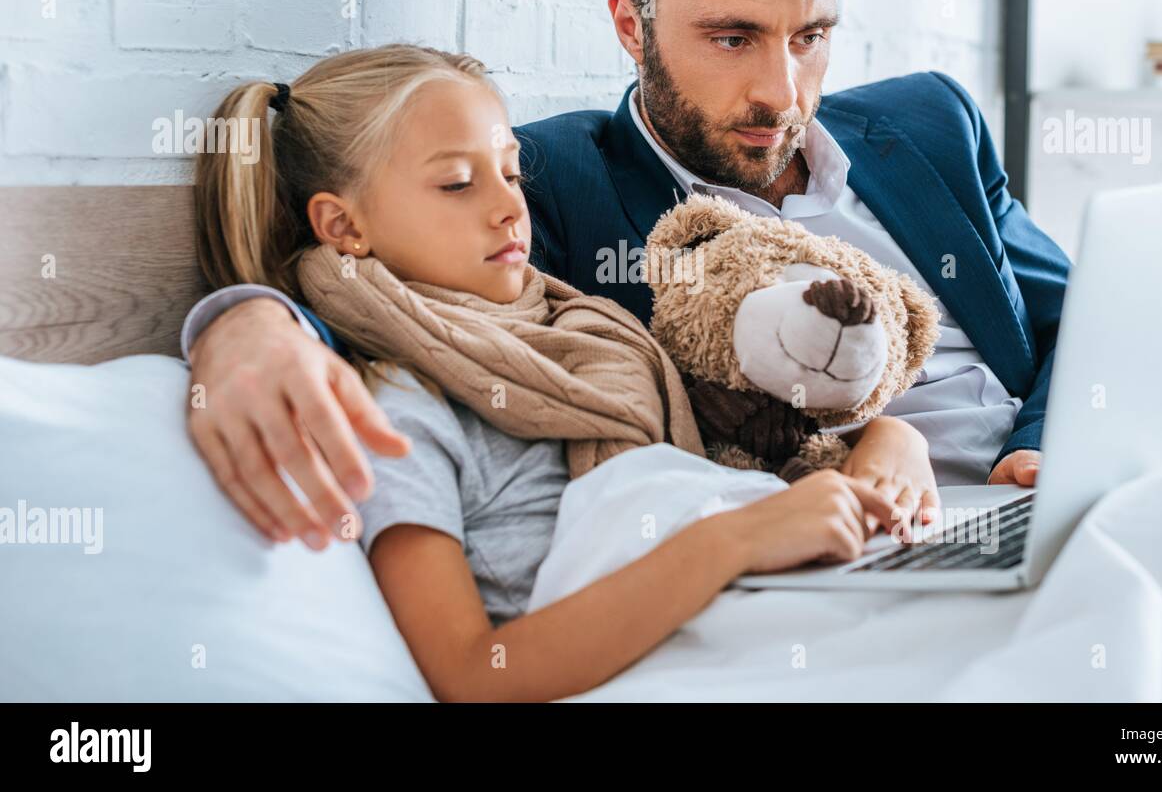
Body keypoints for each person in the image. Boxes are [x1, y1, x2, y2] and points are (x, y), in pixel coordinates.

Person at [183, 0, 1162, 551]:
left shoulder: (927, 121)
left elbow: (1078, 318)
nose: (780, 91)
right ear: (630, 24)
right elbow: (378, 265)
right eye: (730, 37)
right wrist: (244, 326)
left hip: (1059, 483)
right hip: (895, 540)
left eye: (809, 37)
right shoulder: (558, 180)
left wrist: (1050, 446)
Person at [191, 43, 936, 700]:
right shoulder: (400, 414)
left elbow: (734, 452)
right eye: (457, 183)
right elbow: (468, 673)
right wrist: (734, 540)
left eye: (511, 173)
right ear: (343, 226)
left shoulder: (584, 335)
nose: (509, 209)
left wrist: (886, 443)